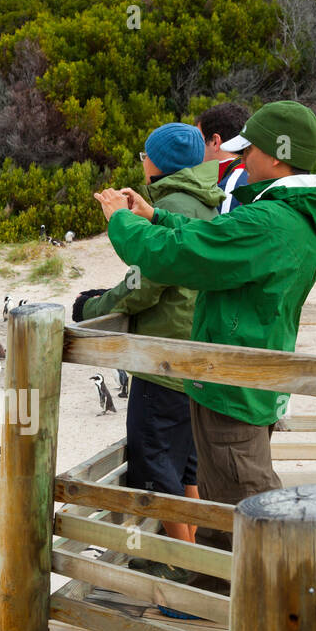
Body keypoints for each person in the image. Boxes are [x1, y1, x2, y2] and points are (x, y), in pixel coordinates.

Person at [92, 101, 316, 593]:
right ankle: (212, 594)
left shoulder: (271, 220)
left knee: (247, 498)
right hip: (246, 376)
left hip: (232, 383)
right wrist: (158, 216)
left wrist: (121, 222)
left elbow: (179, 257)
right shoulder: (296, 217)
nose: (241, 158)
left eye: (248, 149)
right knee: (219, 497)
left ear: (277, 156)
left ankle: (283, 597)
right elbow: (214, 241)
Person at [71, 123, 227, 583]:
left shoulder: (173, 205)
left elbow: (147, 281)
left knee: (155, 462)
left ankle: (187, 567)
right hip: (197, 356)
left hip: (163, 360)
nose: (142, 161)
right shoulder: (205, 200)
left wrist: (96, 306)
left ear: (156, 162)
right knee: (187, 465)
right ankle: (193, 550)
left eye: (144, 154)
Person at [196, 102, 250, 214]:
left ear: (215, 142)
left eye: (198, 139)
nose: (194, 146)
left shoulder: (230, 188)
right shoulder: (255, 174)